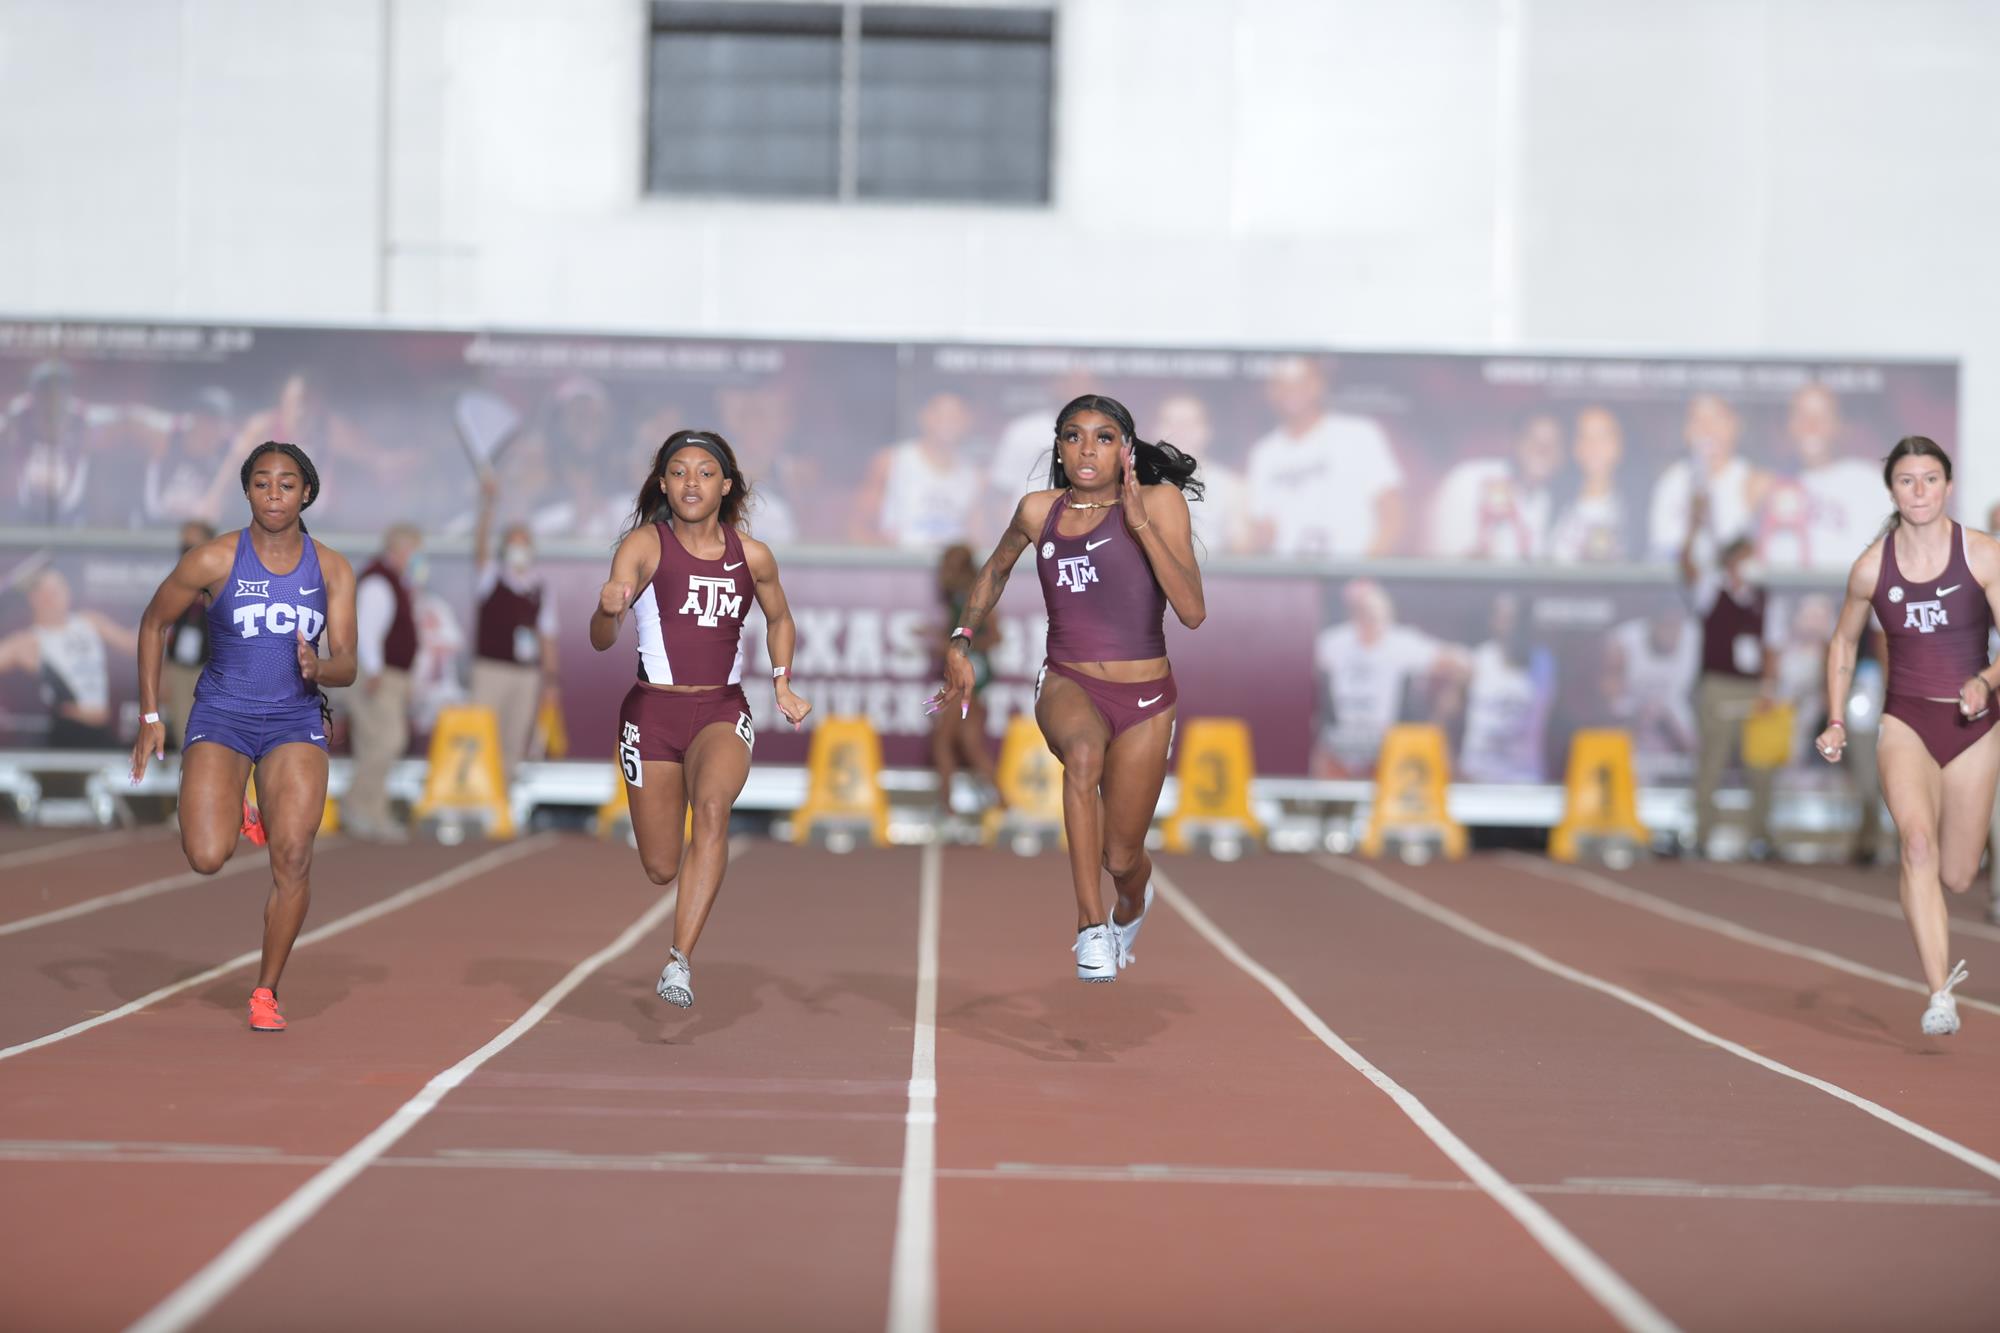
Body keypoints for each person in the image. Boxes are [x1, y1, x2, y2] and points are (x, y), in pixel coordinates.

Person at [932, 394, 1205, 983]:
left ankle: (1130, 904)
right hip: (1068, 680)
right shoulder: (1039, 511)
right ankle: (1089, 927)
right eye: (1074, 436)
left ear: (1126, 450)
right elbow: (996, 569)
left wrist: (1138, 525)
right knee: (1081, 756)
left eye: (1104, 437)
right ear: (1058, 447)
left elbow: (1191, 611)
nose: (1087, 449)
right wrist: (960, 640)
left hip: (1147, 698)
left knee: (1122, 858)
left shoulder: (1160, 502)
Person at [129, 442, 357, 1033]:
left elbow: (348, 664)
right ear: (247, 491)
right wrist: (151, 717)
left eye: (286, 484)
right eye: (261, 484)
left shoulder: (330, 568)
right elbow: (154, 623)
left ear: (306, 492)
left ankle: (265, 990)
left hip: (294, 723)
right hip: (224, 717)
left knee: (295, 855)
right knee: (206, 856)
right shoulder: (214, 559)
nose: (274, 495)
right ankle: (238, 804)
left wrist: (318, 669)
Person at [591, 429, 812, 1010]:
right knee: (661, 866)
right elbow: (600, 639)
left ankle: (679, 961)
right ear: (664, 483)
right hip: (651, 713)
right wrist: (607, 608)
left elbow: (780, 617)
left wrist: (783, 681)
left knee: (713, 810)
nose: (692, 482)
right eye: (680, 471)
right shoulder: (644, 545)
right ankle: (677, 938)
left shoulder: (753, 555)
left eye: (706, 472)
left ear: (727, 485)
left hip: (720, 708)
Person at [1817, 437, 2000, 1036]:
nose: (1919, 492)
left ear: (1948, 486)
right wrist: (1837, 717)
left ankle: (1943, 959)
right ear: (1891, 489)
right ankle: (1940, 993)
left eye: (1929, 480)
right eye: (1906, 481)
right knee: (1916, 845)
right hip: (1906, 722)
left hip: (1973, 727)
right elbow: (1843, 642)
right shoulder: (1873, 566)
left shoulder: (1981, 555)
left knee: (1957, 875)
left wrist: (1985, 679)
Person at [1682, 492, 1783, 858]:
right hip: (1720, 687)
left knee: (1760, 766)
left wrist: (1769, 688)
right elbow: (1688, 567)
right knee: (1712, 760)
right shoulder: (1713, 590)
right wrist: (1694, 528)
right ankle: (1702, 834)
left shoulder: (1766, 598)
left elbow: (1773, 647)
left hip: (1753, 688)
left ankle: (1761, 835)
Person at [1244, 356, 1403, 558]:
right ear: (1270, 391)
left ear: (1318, 384)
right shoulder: (1264, 453)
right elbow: (1260, 530)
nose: (1292, 391)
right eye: (1282, 384)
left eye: (1301, 382)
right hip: (1290, 580)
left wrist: (1367, 569)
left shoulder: (1359, 434)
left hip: (1352, 575)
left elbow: (1392, 514)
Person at [1310, 579, 1466, 778]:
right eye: (1362, 610)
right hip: (1340, 745)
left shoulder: (1402, 643)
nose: (1370, 618)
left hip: (1386, 748)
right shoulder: (1333, 642)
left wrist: (1447, 700)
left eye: (1374, 611)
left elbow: (1460, 661)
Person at [469, 472, 559, 785]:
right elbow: (479, 548)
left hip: (525, 673)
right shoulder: (491, 576)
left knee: (515, 735)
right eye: (513, 544)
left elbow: (547, 636)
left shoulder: (539, 587)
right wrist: (488, 505)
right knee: (481, 734)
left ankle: (503, 797)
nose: (519, 550)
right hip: (491, 669)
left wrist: (550, 680)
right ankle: (476, 792)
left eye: (524, 544)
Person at [0, 567, 139, 747]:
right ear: (32, 598)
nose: (50, 598)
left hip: (102, 728)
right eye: (43, 592)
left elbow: (132, 644)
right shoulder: (27, 640)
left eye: (55, 590)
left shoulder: (90, 621)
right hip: (67, 730)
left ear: (67, 592)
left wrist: (164, 616)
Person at [347, 523, 423, 841]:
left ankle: (373, 813)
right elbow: (367, 630)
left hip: (389, 675)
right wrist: (375, 670)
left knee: (376, 743)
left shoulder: (395, 581)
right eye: (415, 550)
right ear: (401, 549)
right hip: (376, 675)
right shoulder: (379, 581)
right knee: (387, 740)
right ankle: (358, 807)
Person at [1757, 384, 1885, 570]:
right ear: (1788, 425)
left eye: (1822, 416)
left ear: (1839, 425)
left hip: (1846, 595)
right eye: (1801, 415)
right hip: (1785, 593)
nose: (1811, 426)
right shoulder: (1767, 484)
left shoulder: (1868, 481)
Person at [853, 390, 982, 549]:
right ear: (924, 416)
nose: (948, 422)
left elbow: (977, 540)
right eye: (940, 415)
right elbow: (856, 528)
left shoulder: (973, 476)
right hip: (899, 567)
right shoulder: (891, 462)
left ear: (968, 421)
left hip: (951, 571)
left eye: (955, 416)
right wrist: (884, 554)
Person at [1428, 410, 1563, 560]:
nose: (1542, 450)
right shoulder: (1471, 477)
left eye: (1553, 443)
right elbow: (1442, 555)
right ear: (1514, 441)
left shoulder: (1546, 501)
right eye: (1533, 439)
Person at [930, 543, 1003, 818]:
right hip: (965, 676)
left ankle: (950, 808)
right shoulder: (959, 599)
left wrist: (954, 648)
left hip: (971, 676)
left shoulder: (975, 597)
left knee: (950, 741)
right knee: (959, 741)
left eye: (947, 566)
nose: (942, 573)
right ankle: (997, 804)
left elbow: (994, 636)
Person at [1648, 393, 1759, 561]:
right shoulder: (1671, 482)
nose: (1707, 429)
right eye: (1697, 419)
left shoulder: (1755, 481)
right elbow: (1662, 554)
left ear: (1734, 425)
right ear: (1686, 430)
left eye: (1716, 419)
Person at [1548, 407, 1635, 563]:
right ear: (1575, 447)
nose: (1592, 445)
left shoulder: (1637, 508)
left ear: (1621, 445)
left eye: (1602, 436)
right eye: (1584, 436)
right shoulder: (1551, 500)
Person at [159, 520, 218, 748]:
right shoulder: (177, 579)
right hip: (180, 668)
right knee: (185, 731)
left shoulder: (222, 578)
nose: (186, 552)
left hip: (211, 669)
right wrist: (164, 672)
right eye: (183, 547)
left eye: (192, 547)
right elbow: (163, 626)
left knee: (212, 735)